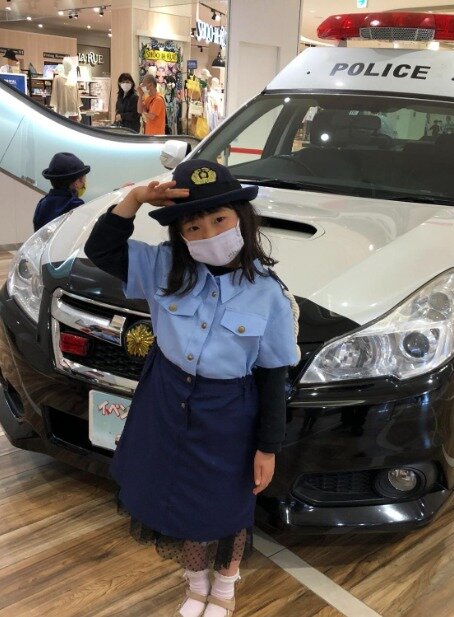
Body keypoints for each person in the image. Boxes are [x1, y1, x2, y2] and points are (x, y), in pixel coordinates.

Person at [84, 160, 299, 617]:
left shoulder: (269, 294)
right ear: (180, 234)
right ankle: (196, 584)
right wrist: (135, 198)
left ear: (242, 217)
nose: (209, 234)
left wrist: (268, 447)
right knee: (177, 496)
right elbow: (101, 249)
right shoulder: (164, 267)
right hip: (166, 396)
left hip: (228, 410)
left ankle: (226, 586)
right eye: (193, 227)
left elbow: (273, 377)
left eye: (220, 220)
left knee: (228, 504)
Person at [33, 152, 90, 231]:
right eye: (84, 179)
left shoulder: (42, 204)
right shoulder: (76, 205)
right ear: (77, 182)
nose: (85, 182)